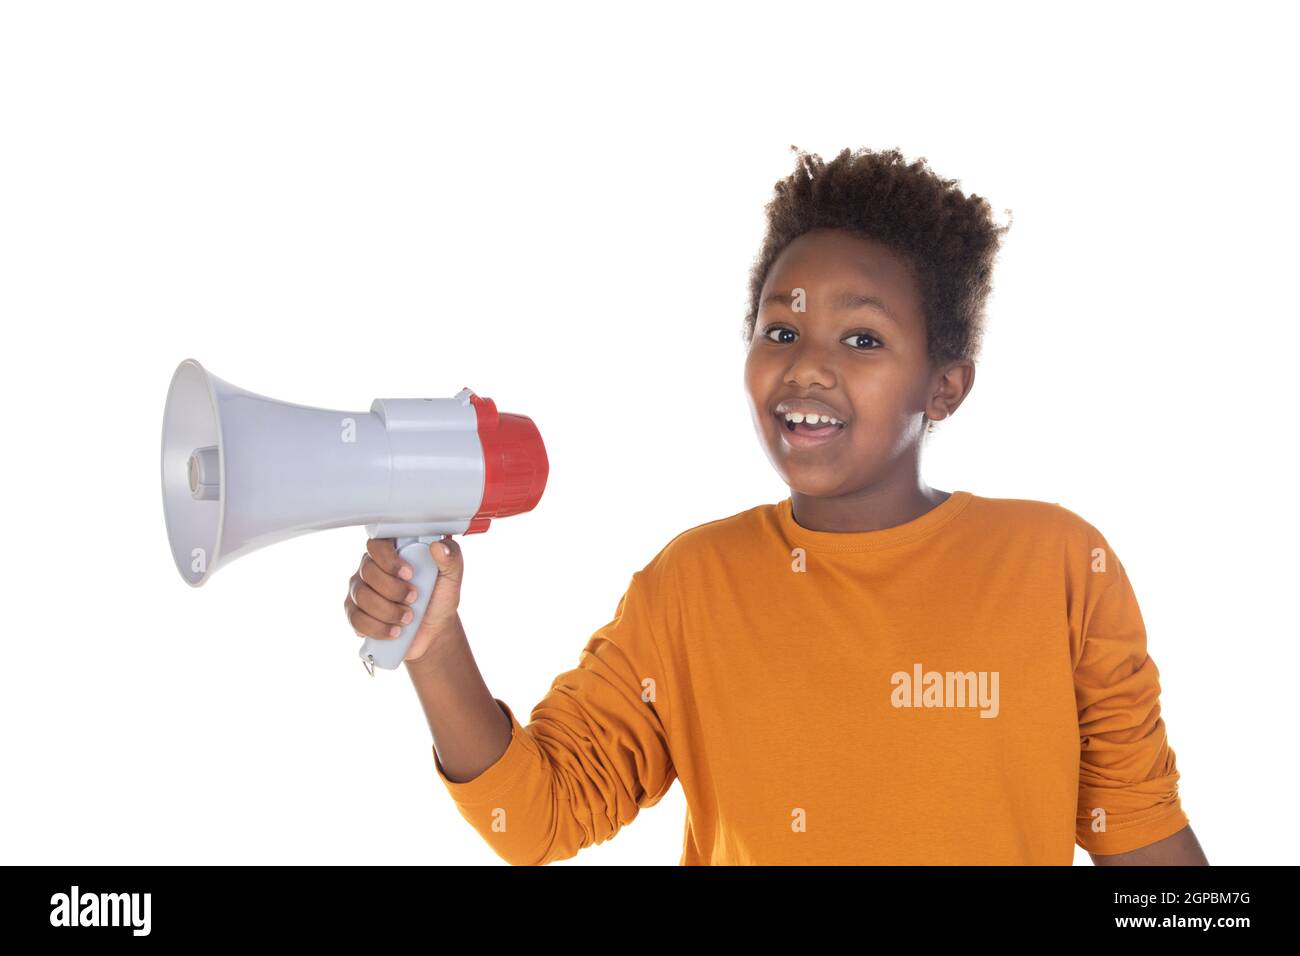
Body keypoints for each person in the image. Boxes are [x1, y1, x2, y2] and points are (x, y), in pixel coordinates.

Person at [343, 145, 1206, 866]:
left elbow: (1143, 839)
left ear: (944, 388)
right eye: (780, 331)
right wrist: (432, 641)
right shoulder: (694, 585)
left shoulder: (1057, 561)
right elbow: (534, 819)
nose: (809, 367)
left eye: (862, 338)